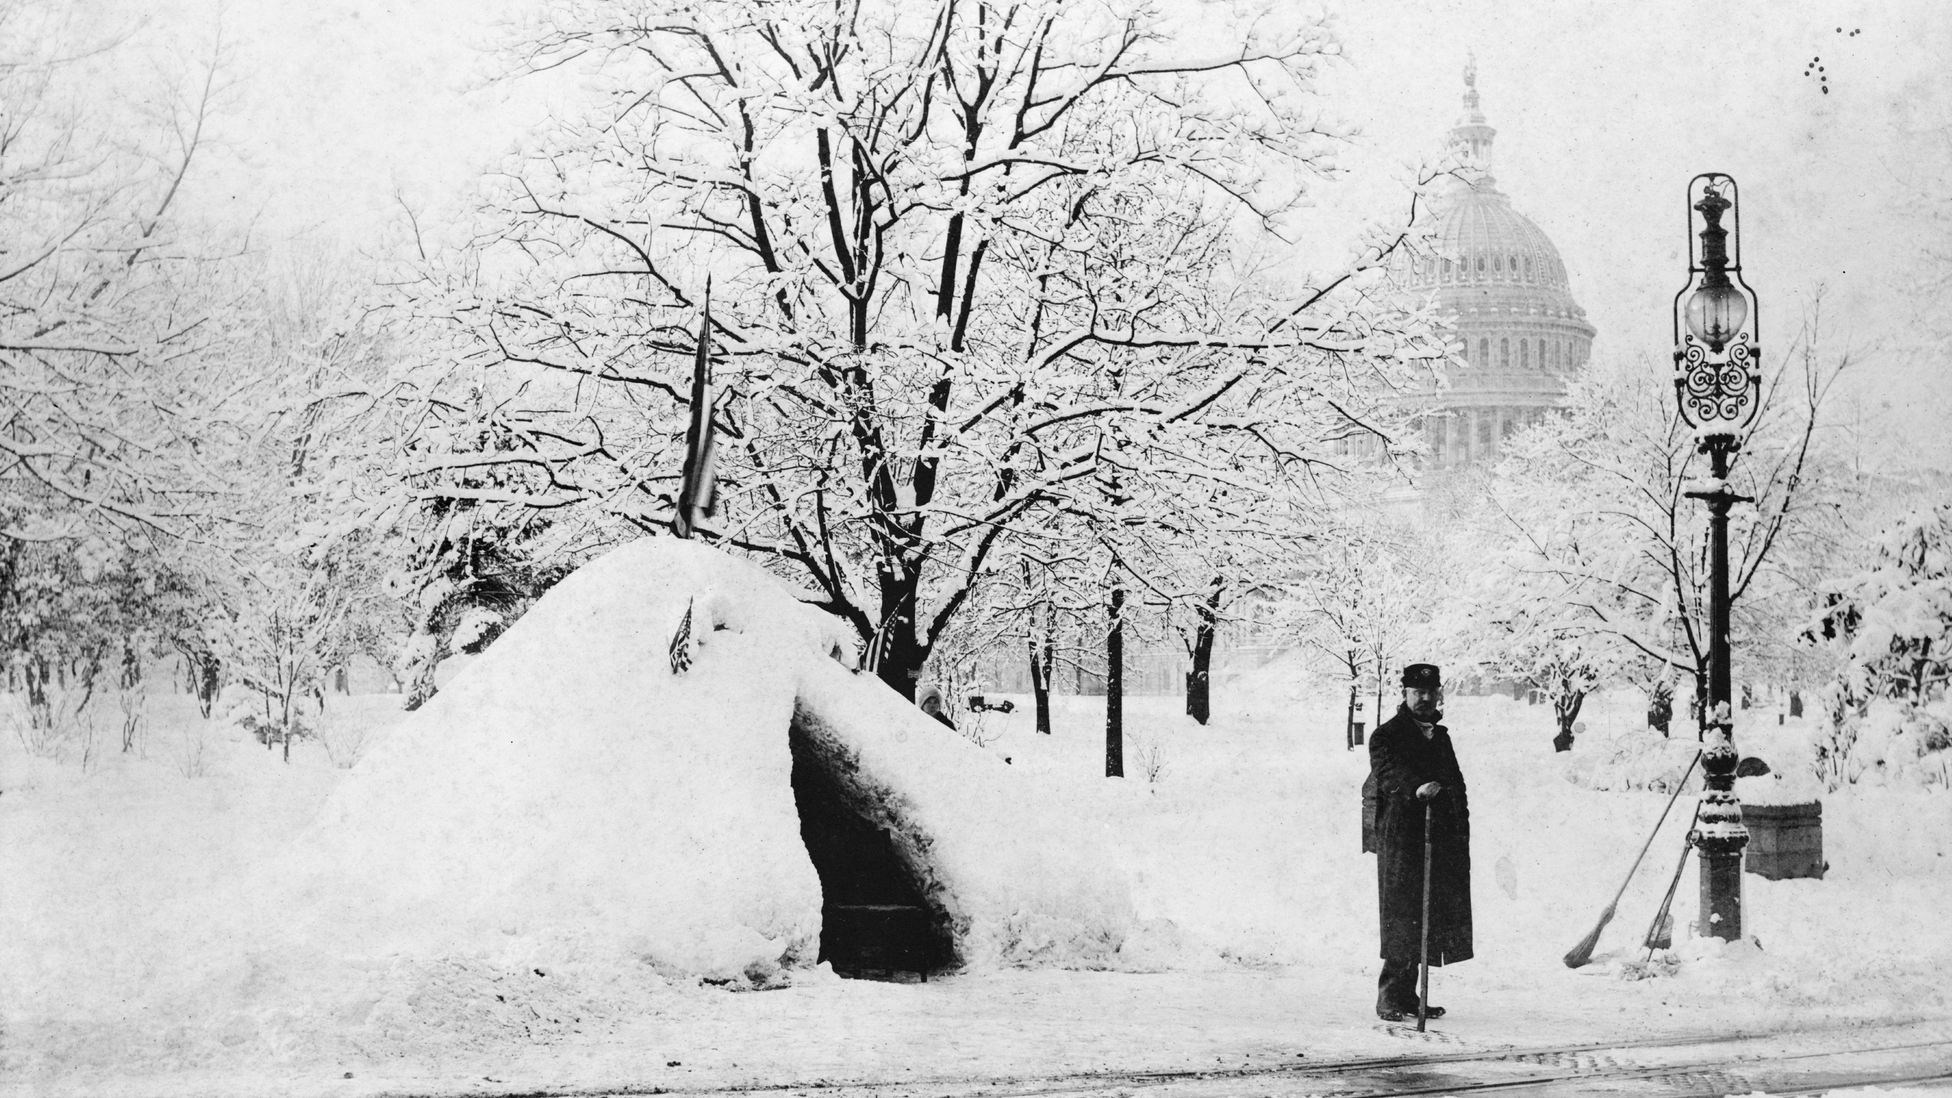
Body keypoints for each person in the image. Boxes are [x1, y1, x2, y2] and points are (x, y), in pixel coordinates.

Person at [1366, 662, 1473, 1022]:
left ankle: (1410, 996)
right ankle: (1389, 996)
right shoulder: (1386, 735)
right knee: (1401, 916)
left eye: (1431, 692)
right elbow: (1388, 775)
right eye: (1417, 692)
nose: (1425, 698)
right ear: (1405, 694)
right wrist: (1416, 788)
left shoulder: (1440, 736)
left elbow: (1455, 782)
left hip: (1436, 837)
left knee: (1428, 916)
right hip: (1401, 839)